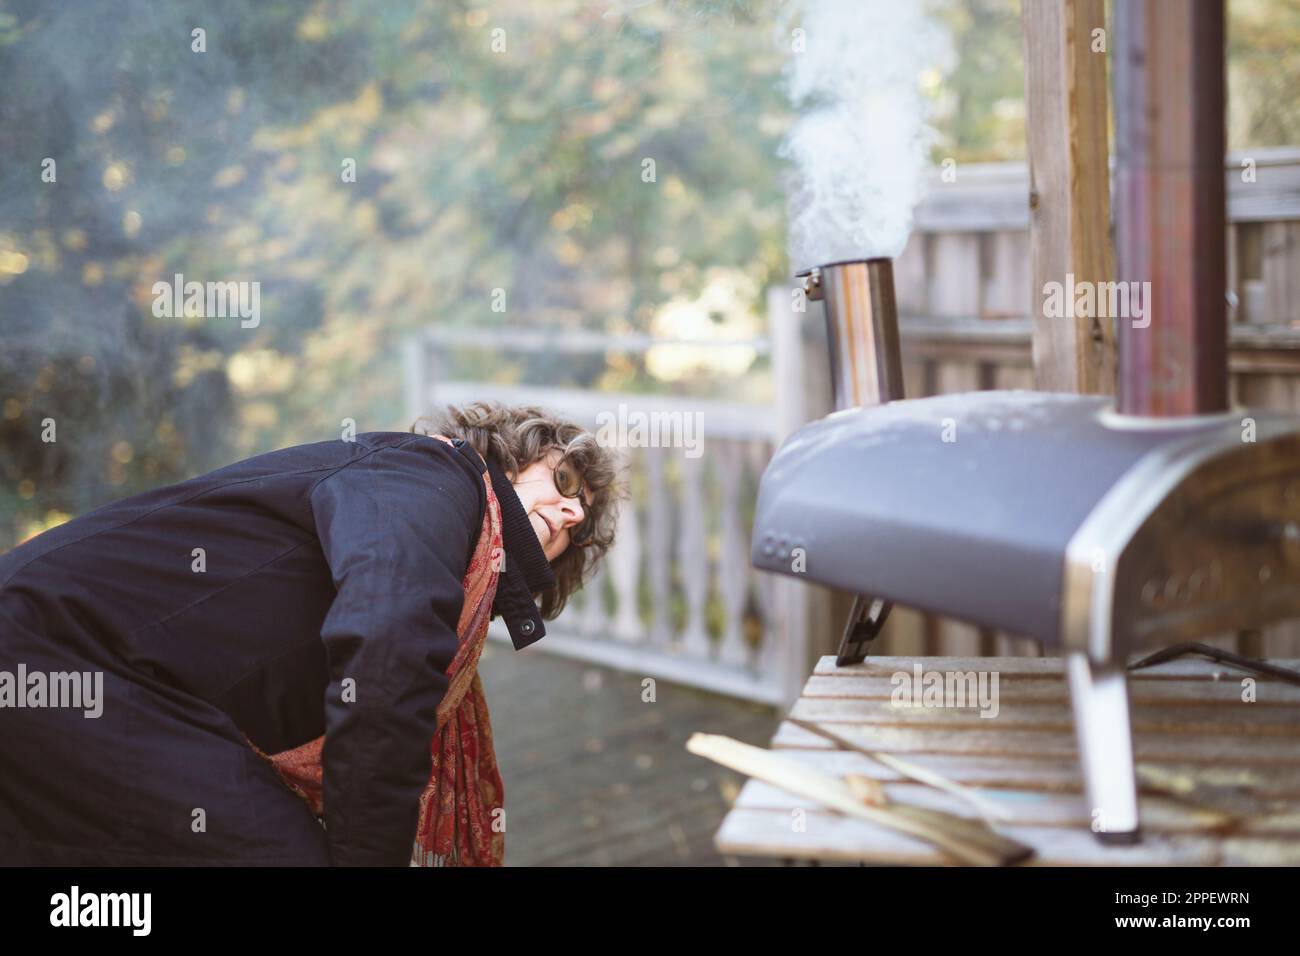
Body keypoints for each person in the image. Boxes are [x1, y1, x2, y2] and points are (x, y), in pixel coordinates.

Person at [0, 400, 622, 866]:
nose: (570, 512)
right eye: (565, 484)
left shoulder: (446, 530)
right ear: (511, 454)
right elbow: (387, 650)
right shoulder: (432, 474)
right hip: (58, 648)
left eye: (579, 521)